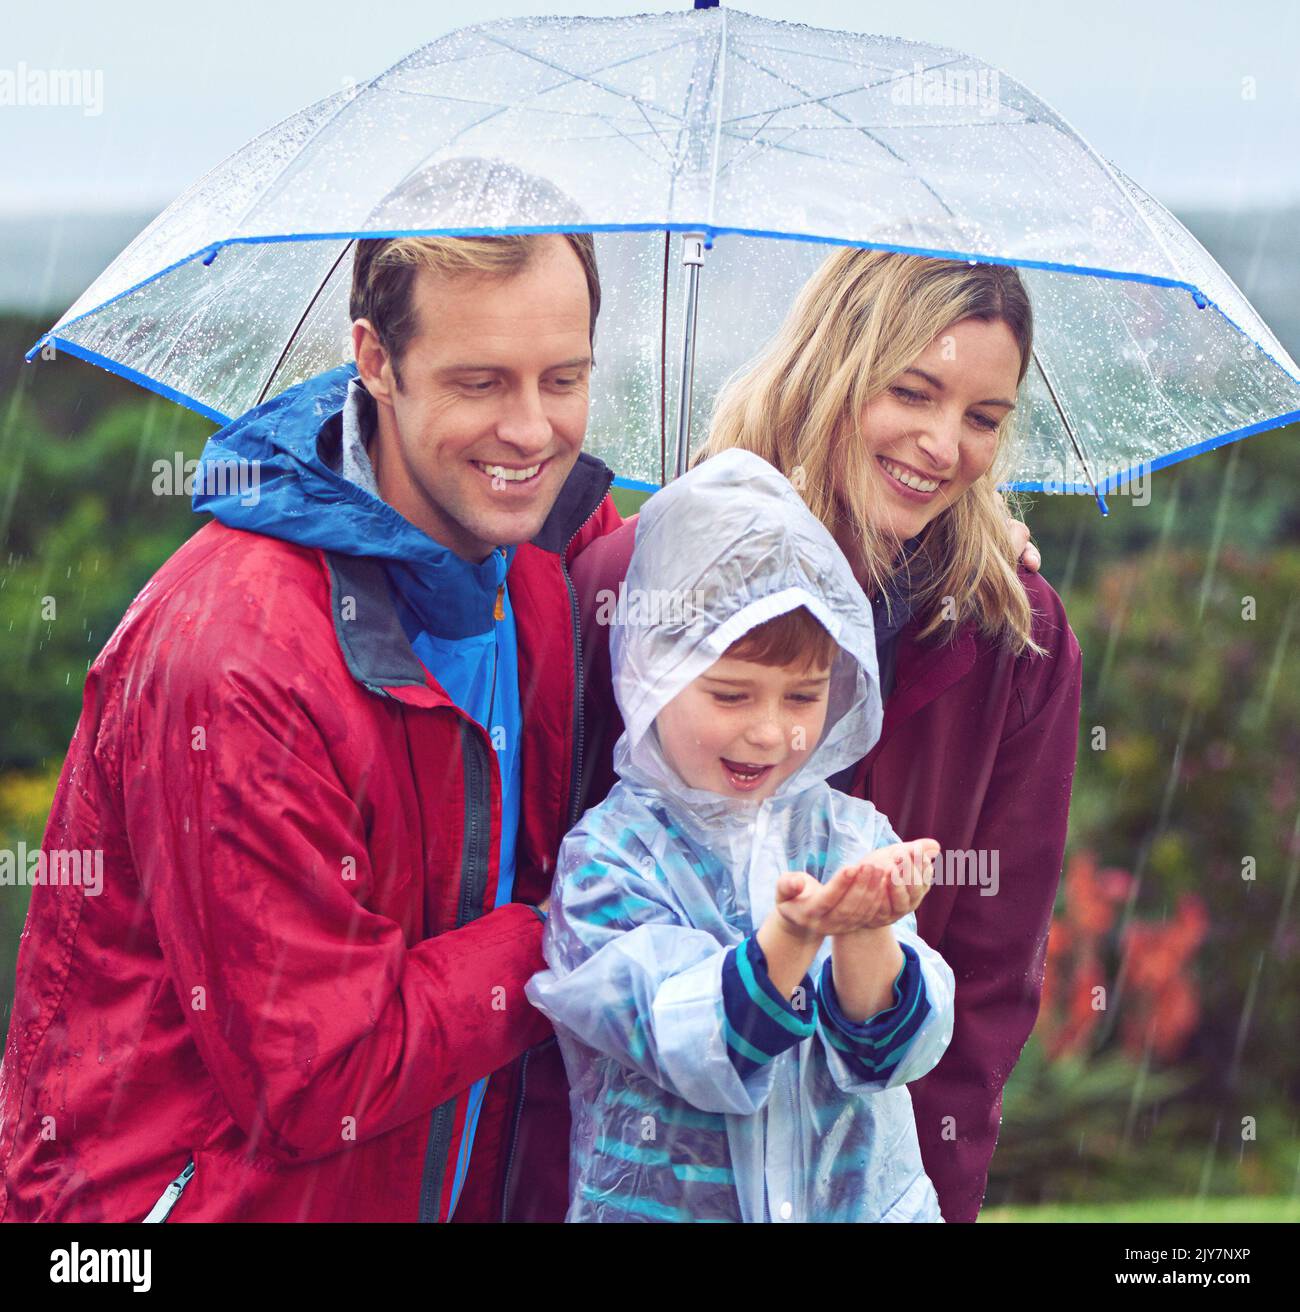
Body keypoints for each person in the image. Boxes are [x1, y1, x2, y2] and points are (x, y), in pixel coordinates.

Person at [0, 229, 621, 1222]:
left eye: (564, 378)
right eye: (479, 382)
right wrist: (584, 928)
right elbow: (320, 1074)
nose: (532, 430)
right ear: (374, 360)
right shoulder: (236, 656)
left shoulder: (553, 551)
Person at [568, 250, 1083, 1224]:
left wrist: (936, 1193)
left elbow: (987, 976)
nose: (942, 446)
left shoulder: (1017, 635)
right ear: (834, 368)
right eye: (912, 391)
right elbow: (579, 934)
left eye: (983, 418)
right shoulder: (642, 584)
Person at [527, 450, 955, 1222]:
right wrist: (791, 936)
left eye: (804, 695)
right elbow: (687, 1042)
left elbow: (889, 1056)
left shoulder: (851, 834)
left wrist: (866, 933)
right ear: (653, 671)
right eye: (730, 694)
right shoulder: (610, 862)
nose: (770, 731)